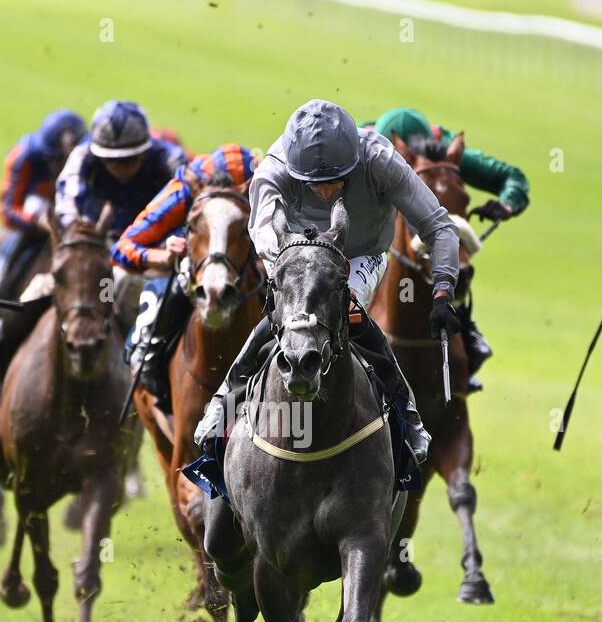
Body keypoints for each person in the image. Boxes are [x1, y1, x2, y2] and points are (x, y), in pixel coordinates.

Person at [194, 99, 462, 466]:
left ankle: (405, 412)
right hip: (292, 250)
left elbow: (439, 225)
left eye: (335, 181)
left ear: (354, 162)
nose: (323, 191)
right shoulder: (274, 167)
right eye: (312, 184)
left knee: (346, 310)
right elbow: (262, 231)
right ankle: (226, 400)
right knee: (289, 315)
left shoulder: (380, 159)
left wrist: (444, 291)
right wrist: (298, 266)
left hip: (360, 253)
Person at [0, 100, 187, 389]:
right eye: (112, 161)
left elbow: (192, 214)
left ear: (146, 150)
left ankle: (154, 375)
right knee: (35, 293)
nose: (122, 169)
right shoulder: (80, 161)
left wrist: (161, 249)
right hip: (94, 261)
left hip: (158, 262)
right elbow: (68, 224)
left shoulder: (171, 161)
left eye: (130, 160)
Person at [365, 107, 530, 391]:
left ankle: (466, 337)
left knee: (455, 264)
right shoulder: (356, 141)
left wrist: (506, 203)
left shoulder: (444, 148)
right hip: (372, 225)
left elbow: (512, 177)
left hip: (429, 227)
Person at [114, 142, 262, 405]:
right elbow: (124, 247)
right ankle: (148, 358)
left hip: (248, 253)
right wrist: (164, 254)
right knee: (171, 287)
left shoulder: (266, 182)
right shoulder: (183, 190)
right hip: (194, 258)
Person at [0, 109, 86, 302]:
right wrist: (38, 222)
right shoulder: (23, 155)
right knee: (34, 206)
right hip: (38, 210)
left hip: (70, 207)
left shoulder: (89, 157)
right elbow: (7, 211)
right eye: (58, 161)